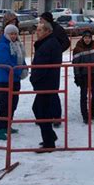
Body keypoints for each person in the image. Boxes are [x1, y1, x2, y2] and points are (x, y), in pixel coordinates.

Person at [30, 20, 62, 152]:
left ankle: (49, 143)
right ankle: (50, 137)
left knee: (41, 111)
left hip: (46, 83)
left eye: (40, 30)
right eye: (37, 30)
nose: (37, 32)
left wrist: (34, 79)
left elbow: (42, 67)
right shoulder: (48, 43)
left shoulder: (48, 44)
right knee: (38, 109)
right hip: (47, 83)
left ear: (48, 31)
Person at [0, 24, 27, 141]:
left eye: (15, 33)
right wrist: (18, 71)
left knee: (13, 103)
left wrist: (24, 67)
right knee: (3, 104)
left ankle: (7, 125)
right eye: (11, 33)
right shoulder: (3, 45)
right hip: (5, 79)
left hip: (15, 78)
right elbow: (4, 62)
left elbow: (21, 59)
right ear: (6, 34)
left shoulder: (17, 45)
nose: (13, 36)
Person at [0, 11, 19, 128]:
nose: (14, 24)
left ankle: (6, 122)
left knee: (9, 99)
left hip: (12, 72)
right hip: (2, 71)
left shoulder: (15, 35)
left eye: (15, 22)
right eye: (11, 22)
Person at [39, 12, 70, 127]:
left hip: (53, 64)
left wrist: (57, 51)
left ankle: (55, 117)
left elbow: (67, 42)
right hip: (45, 63)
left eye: (41, 19)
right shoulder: (44, 28)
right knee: (43, 91)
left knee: (52, 91)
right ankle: (41, 116)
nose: (40, 21)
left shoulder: (57, 29)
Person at [73, 30, 94, 124]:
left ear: (91, 38)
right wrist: (77, 75)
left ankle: (93, 113)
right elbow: (75, 64)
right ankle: (85, 115)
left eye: (88, 38)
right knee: (84, 95)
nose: (87, 40)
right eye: (85, 38)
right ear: (82, 38)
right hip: (83, 74)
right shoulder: (78, 48)